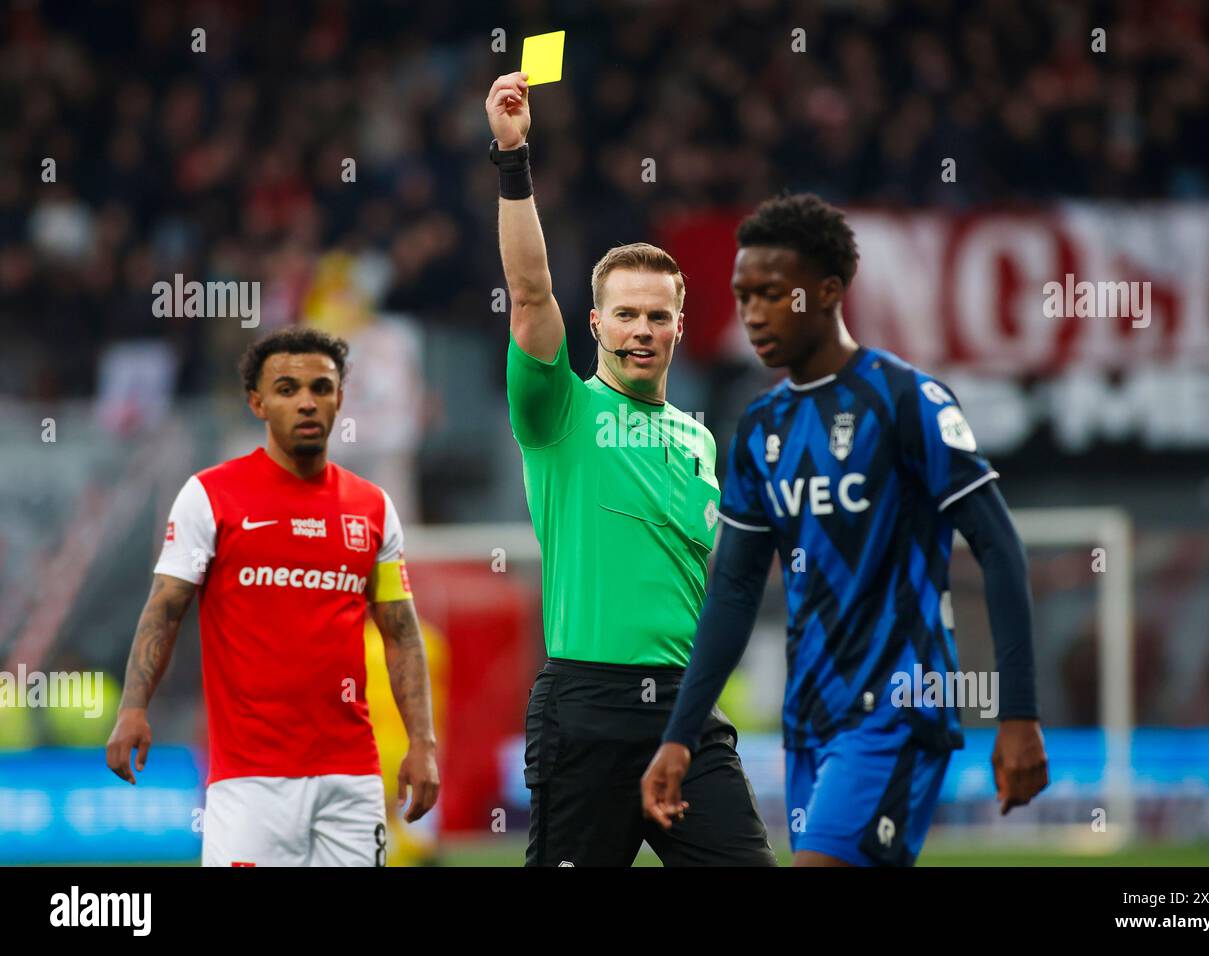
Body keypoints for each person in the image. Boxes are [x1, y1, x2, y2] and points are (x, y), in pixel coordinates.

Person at [642, 193, 1049, 866]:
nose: (752, 313)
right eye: (743, 295)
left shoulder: (905, 400)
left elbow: (999, 546)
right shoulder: (760, 429)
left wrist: (1020, 713)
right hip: (809, 719)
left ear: (827, 292)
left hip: (896, 709)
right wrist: (679, 736)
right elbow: (734, 590)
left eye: (772, 294)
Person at [486, 71, 775, 866]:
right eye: (625, 314)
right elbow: (527, 290)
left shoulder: (697, 439)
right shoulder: (560, 412)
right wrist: (512, 157)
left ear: (680, 327)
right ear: (595, 323)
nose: (641, 329)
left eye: (657, 315)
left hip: (687, 718)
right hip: (585, 710)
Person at [105, 326, 439, 867]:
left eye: (321, 388)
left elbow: (401, 634)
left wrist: (422, 744)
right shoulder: (210, 496)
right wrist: (133, 708)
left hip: (351, 779)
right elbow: (165, 608)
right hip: (249, 782)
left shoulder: (372, 508)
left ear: (340, 399)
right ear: (257, 402)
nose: (306, 402)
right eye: (287, 389)